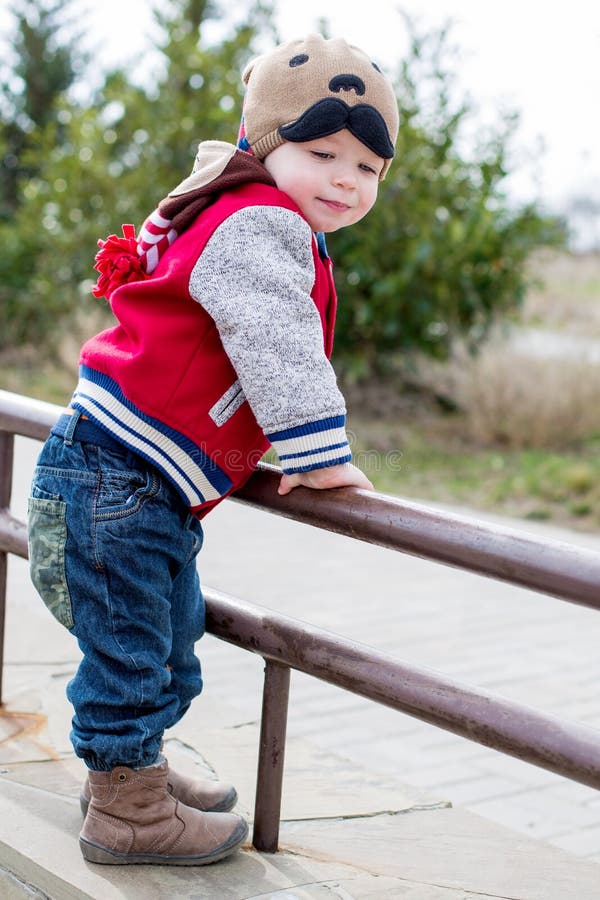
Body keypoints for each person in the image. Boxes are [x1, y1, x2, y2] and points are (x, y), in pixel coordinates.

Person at [27, 33, 399, 867]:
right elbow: (276, 342)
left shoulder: (242, 209)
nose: (347, 177)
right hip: (116, 476)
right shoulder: (259, 220)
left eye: (369, 167)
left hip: (126, 478)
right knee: (130, 655)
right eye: (323, 151)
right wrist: (316, 453)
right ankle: (127, 813)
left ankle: (133, 771)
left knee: (168, 647)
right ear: (266, 147)